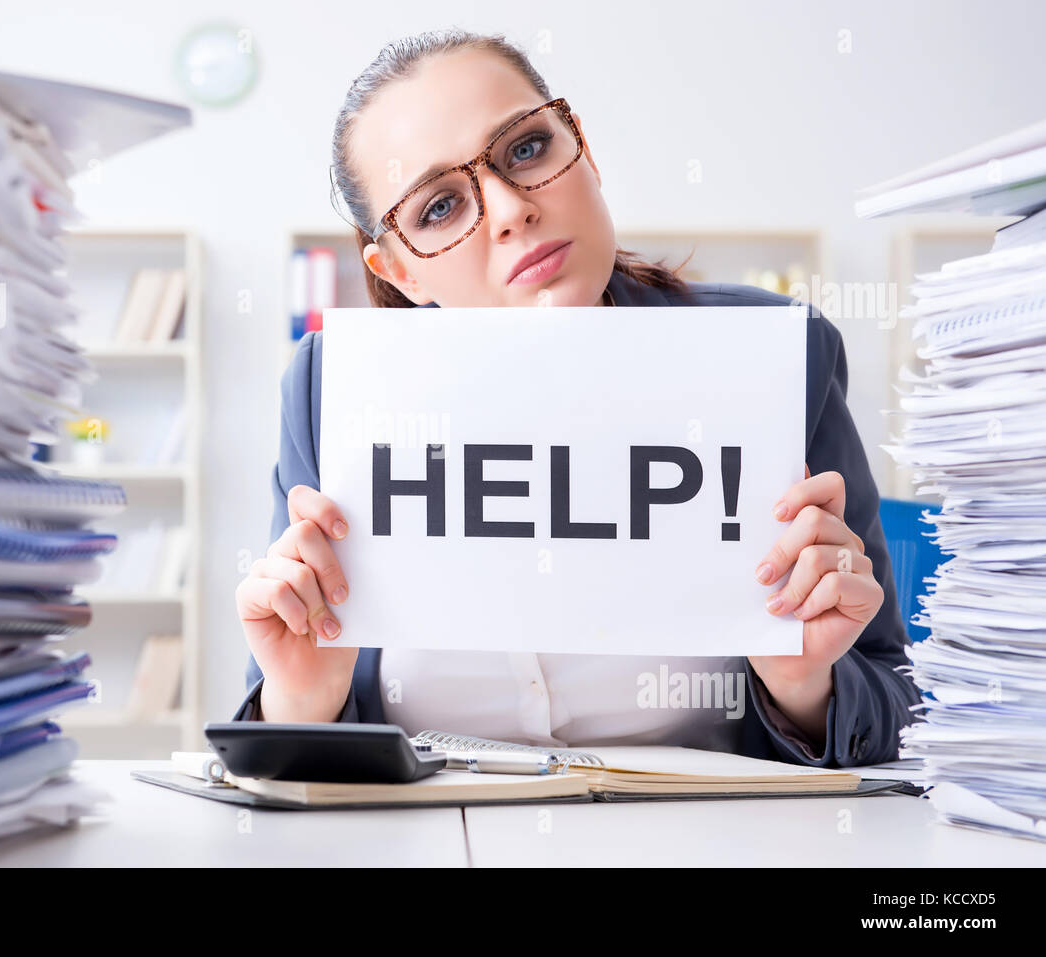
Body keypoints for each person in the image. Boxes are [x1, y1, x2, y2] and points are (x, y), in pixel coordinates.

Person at [232, 29, 920, 766]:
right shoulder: (330, 387)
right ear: (399, 272)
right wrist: (302, 700)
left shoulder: (777, 353)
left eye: (525, 149)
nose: (507, 209)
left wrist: (804, 683)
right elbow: (291, 744)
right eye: (438, 208)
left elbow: (897, 703)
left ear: (582, 148)